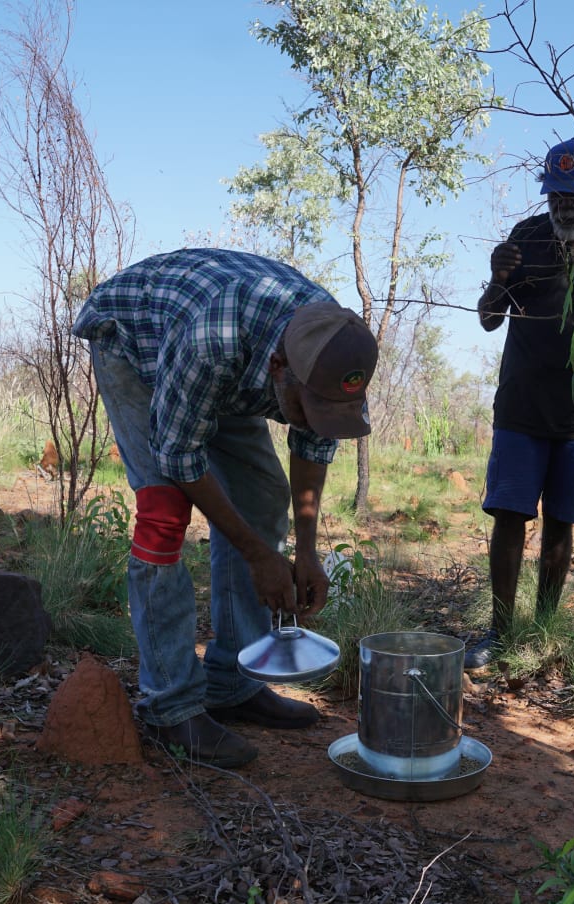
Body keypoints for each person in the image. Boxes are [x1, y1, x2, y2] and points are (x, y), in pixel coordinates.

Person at [73, 249, 379, 767]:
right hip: (138, 347)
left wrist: (305, 551)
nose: (315, 418)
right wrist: (258, 555)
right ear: (280, 370)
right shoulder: (210, 341)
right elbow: (179, 456)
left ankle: (230, 683)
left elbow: (313, 443)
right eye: (308, 407)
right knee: (164, 514)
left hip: (233, 372)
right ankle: (171, 707)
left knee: (261, 495)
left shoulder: (335, 354)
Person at [466, 138, 574, 670]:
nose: (565, 207)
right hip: (522, 408)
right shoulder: (525, 238)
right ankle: (500, 631)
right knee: (509, 517)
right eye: (557, 196)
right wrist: (498, 277)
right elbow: (489, 319)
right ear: (547, 195)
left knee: (561, 522)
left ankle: (545, 627)